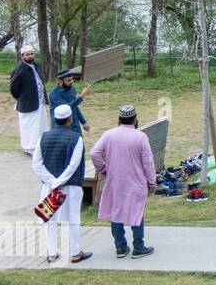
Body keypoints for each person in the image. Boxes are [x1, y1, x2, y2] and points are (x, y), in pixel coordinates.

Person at [91, 104, 155, 259]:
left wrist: (104, 169)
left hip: (115, 182)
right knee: (136, 213)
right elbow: (148, 162)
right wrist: (152, 182)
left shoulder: (108, 135)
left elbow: (94, 154)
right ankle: (138, 247)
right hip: (136, 182)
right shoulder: (140, 136)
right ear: (135, 119)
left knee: (116, 213)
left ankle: (120, 247)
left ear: (119, 119)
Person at [32, 104, 91, 264]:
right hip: (71, 185)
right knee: (73, 219)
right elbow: (73, 165)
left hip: (48, 187)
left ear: (55, 120)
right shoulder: (77, 138)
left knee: (49, 220)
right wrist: (59, 181)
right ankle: (74, 252)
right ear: (70, 119)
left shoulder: (43, 137)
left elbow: (36, 164)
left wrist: (52, 182)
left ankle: (52, 253)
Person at [10, 44, 49, 154]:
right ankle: (30, 148)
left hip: (39, 102)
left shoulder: (37, 66)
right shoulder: (19, 70)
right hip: (27, 104)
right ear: (22, 56)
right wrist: (23, 98)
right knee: (30, 127)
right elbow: (14, 90)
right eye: (27, 54)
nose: (30, 56)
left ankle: (40, 147)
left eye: (32, 54)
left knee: (41, 126)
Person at [49, 68, 90, 135]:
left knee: (80, 144)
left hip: (74, 125)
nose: (71, 82)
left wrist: (84, 122)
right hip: (60, 128)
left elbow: (75, 107)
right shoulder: (53, 94)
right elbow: (66, 107)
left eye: (72, 79)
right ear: (60, 81)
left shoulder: (72, 89)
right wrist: (81, 96)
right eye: (68, 80)